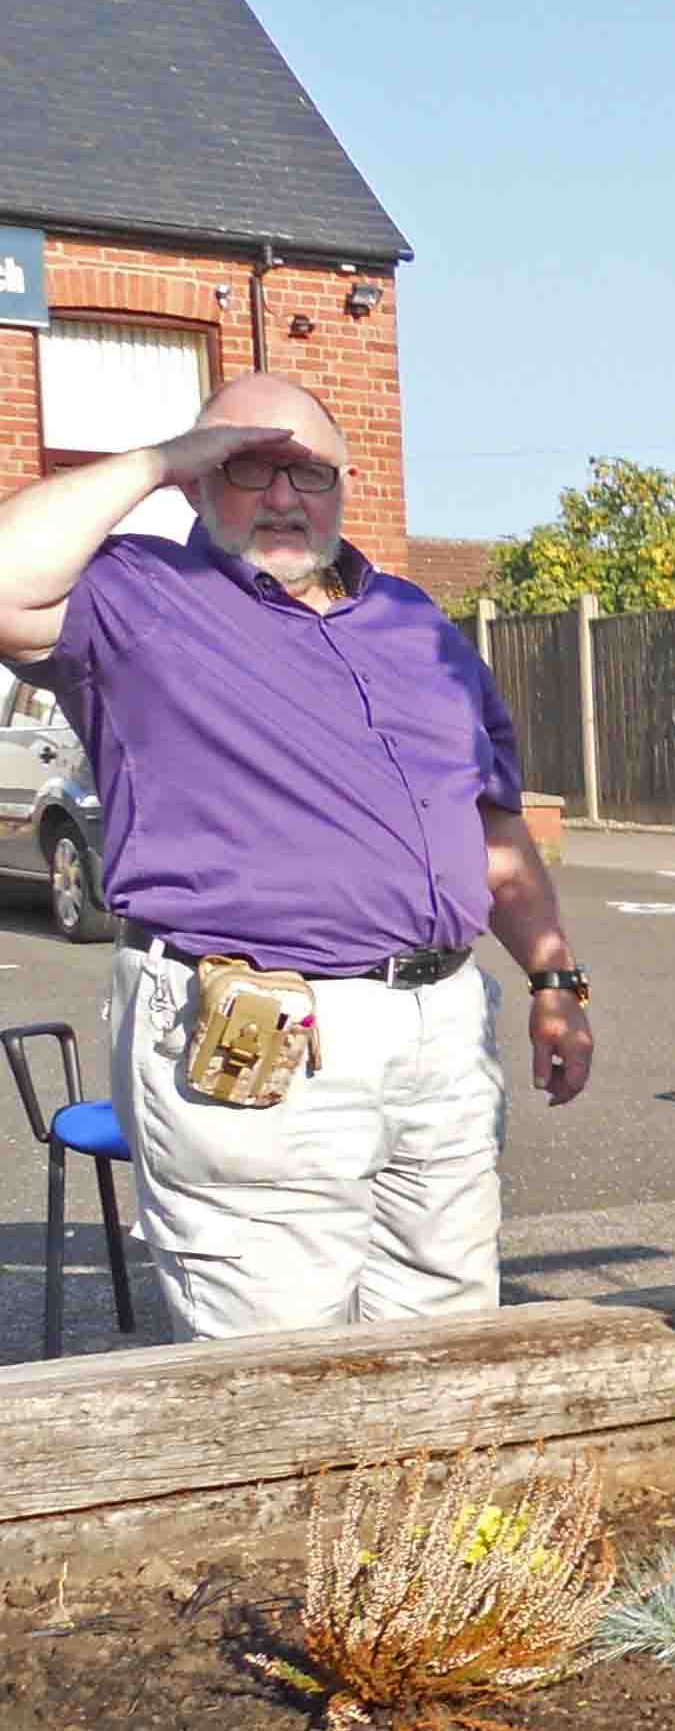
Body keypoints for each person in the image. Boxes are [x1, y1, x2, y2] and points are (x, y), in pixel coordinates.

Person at [0, 372, 593, 1342]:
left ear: (343, 484)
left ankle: (431, 1502)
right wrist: (158, 461)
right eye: (249, 467)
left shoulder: (418, 628)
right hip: (261, 1040)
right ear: (199, 484)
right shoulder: (140, 598)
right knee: (282, 1375)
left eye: (307, 471)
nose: (283, 496)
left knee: (448, 1341)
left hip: (441, 1035)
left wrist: (553, 976)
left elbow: (494, 832)